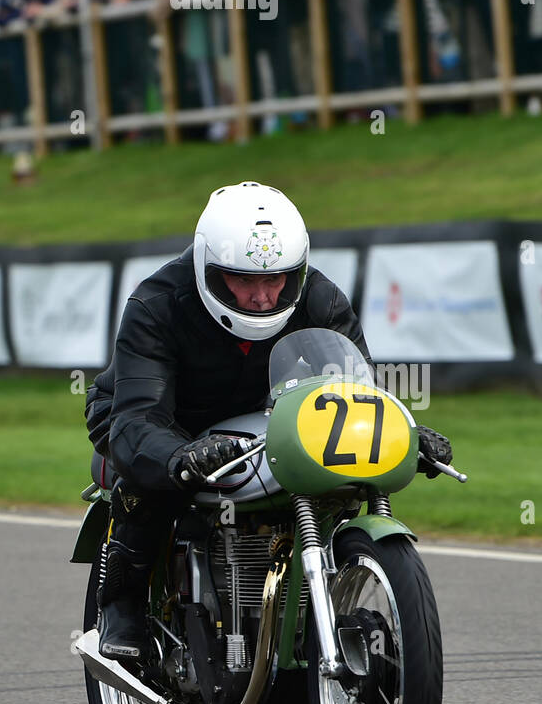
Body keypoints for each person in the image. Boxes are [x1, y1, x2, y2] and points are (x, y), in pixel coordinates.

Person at [85, 180, 453, 663]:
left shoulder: (320, 300)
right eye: (244, 280)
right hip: (154, 416)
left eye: (275, 279)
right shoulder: (156, 306)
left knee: (332, 479)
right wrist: (177, 455)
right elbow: (138, 420)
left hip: (262, 416)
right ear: (209, 271)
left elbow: (354, 395)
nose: (262, 296)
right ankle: (122, 603)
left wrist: (401, 432)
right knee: (153, 476)